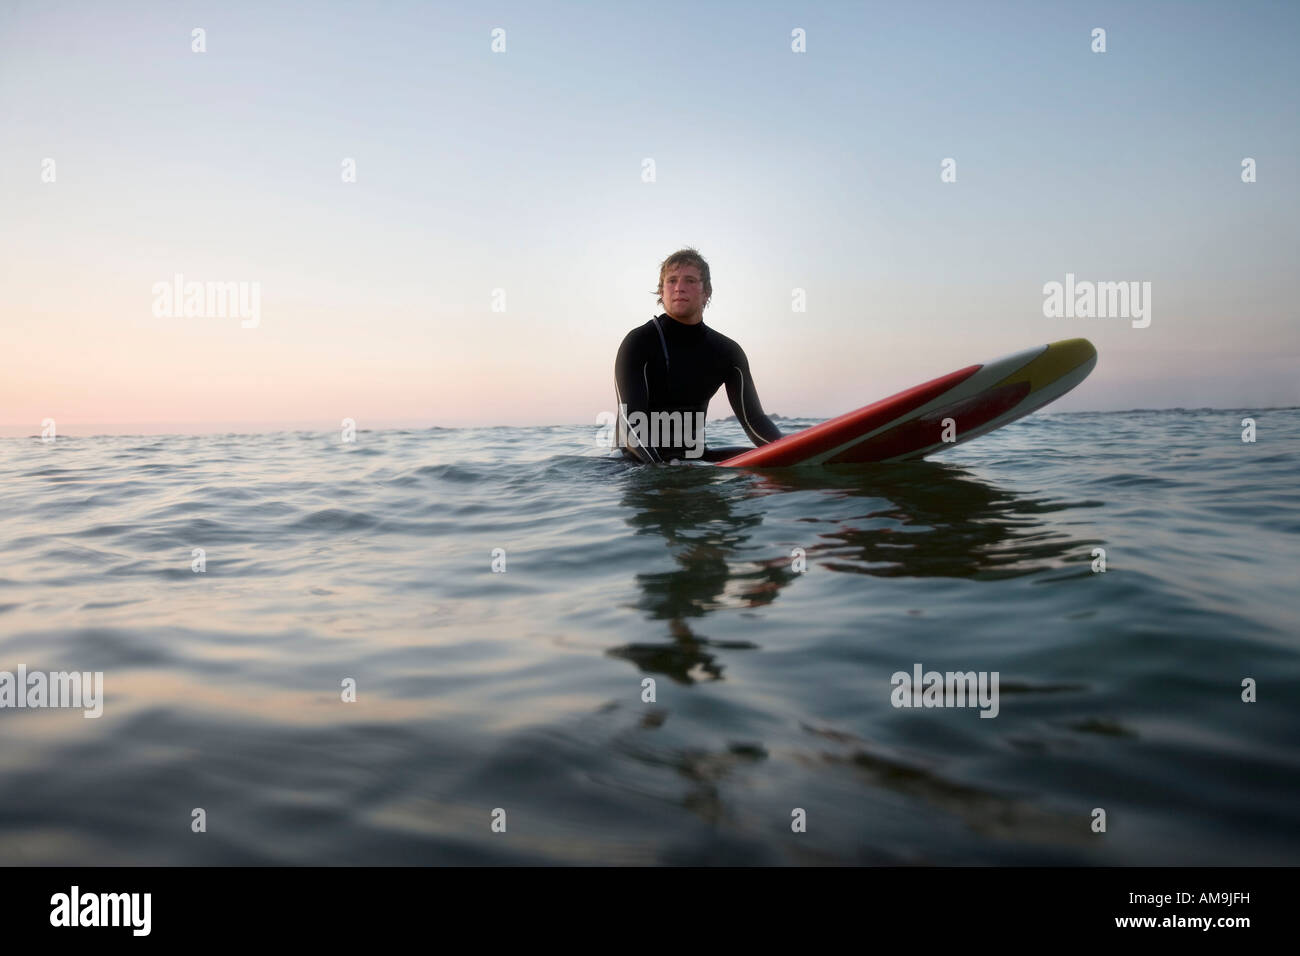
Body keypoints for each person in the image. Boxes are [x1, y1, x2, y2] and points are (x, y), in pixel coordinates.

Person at [614, 248, 783, 463]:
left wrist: (793, 453)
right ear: (661, 291)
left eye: (690, 281)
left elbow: (754, 419)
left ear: (707, 291)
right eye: (671, 281)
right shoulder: (639, 342)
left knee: (767, 460)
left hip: (693, 460)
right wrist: (661, 472)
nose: (679, 288)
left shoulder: (727, 352)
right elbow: (630, 425)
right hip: (635, 465)